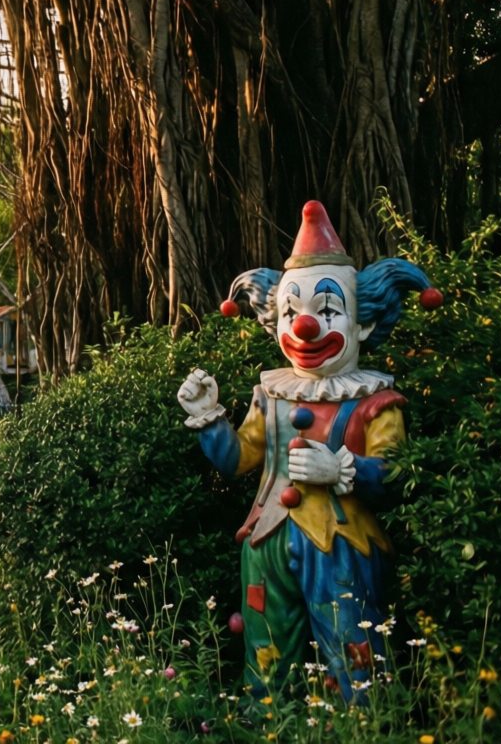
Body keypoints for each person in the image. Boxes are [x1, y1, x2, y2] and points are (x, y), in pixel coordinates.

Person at [177, 201, 441, 701]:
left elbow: (392, 475)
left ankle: (365, 722)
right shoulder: (270, 394)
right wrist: (209, 417)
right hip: (266, 543)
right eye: (292, 312)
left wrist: (340, 468)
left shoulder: (376, 404)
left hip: (342, 544)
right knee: (265, 644)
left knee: (353, 644)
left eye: (326, 311)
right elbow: (238, 459)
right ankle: (268, 718)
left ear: (362, 323)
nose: (304, 327)